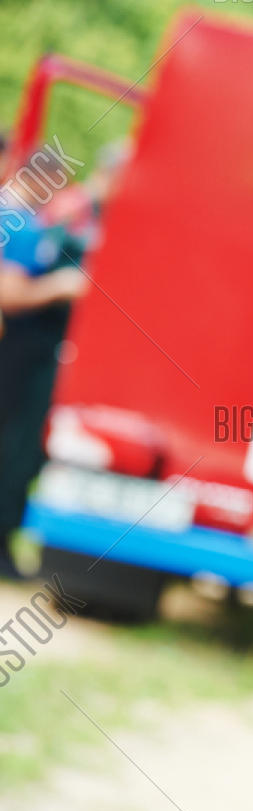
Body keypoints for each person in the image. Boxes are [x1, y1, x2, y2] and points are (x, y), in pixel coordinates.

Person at [0, 144, 91, 580]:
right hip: (16, 361)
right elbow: (9, 294)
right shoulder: (17, 225)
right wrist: (61, 286)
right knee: (13, 451)